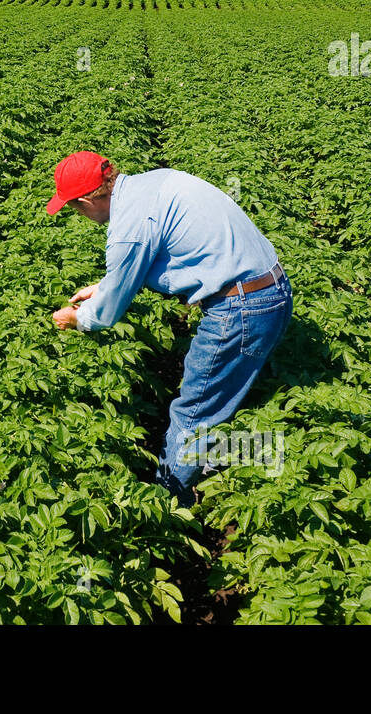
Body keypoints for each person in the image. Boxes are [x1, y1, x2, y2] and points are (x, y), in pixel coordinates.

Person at [45, 151, 292, 507]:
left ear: (86, 200)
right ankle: (212, 467)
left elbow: (105, 315)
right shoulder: (154, 182)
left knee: (193, 412)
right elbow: (150, 252)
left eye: (73, 207)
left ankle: (167, 504)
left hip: (242, 308)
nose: (77, 214)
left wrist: (76, 319)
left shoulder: (128, 227)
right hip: (272, 289)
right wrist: (105, 286)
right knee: (221, 398)